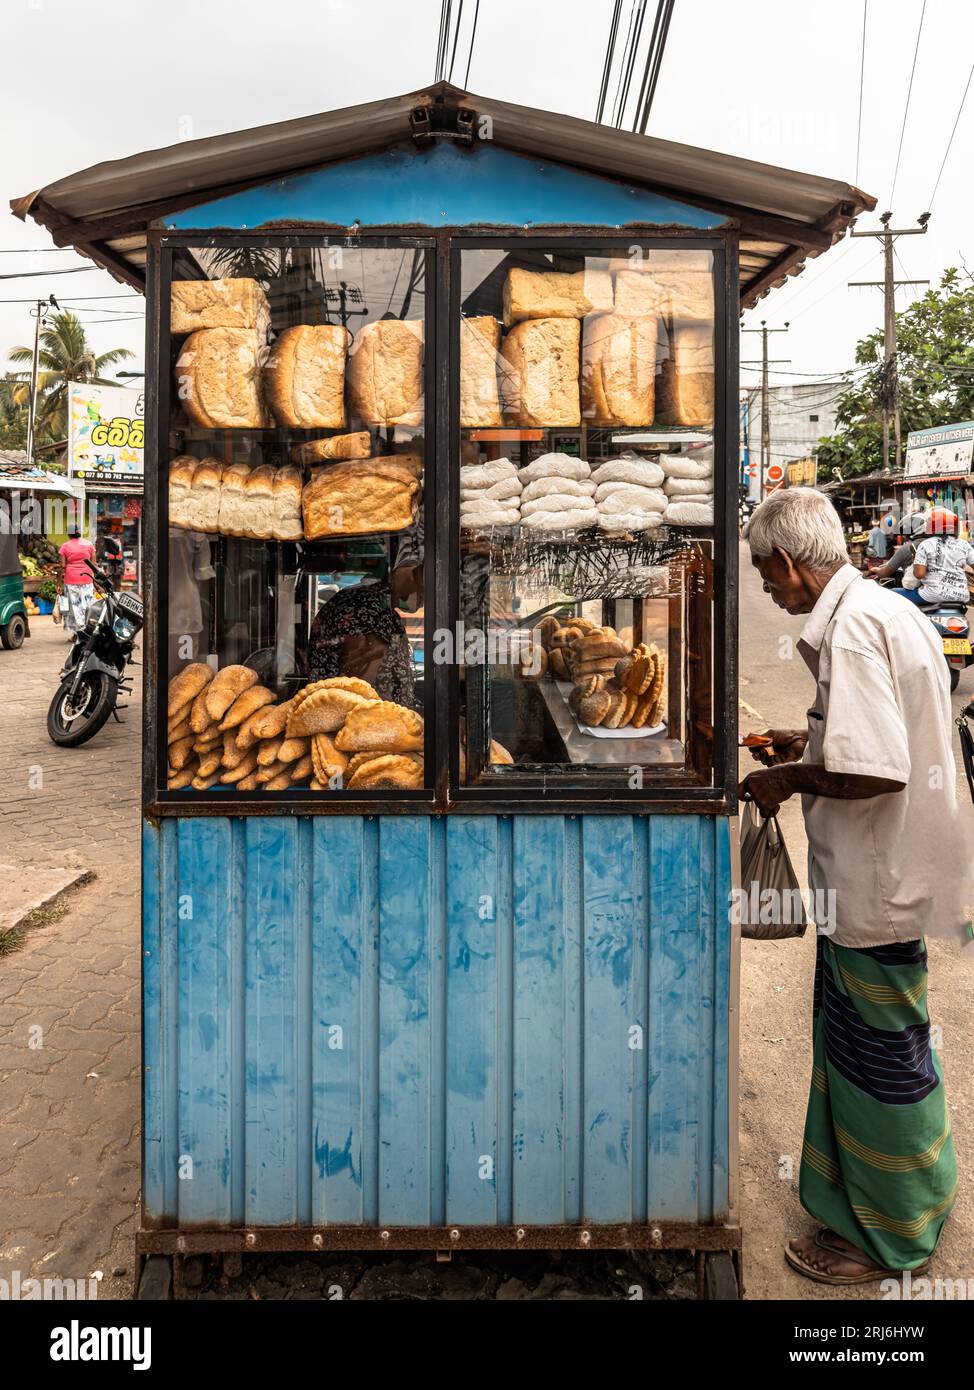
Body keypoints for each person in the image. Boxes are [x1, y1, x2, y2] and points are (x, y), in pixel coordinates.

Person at [740, 487, 971, 1286]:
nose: (766, 588)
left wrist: (788, 779)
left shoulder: (853, 630)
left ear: (792, 564)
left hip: (878, 885)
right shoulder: (885, 608)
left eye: (765, 574)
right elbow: (877, 728)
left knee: (878, 1064)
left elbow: (875, 765)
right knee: (882, 1049)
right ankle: (905, 1201)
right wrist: (796, 741)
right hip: (889, 876)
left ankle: (888, 1238)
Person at [308, 542, 420, 708]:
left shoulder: (363, 600)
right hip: (364, 720)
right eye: (425, 584)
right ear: (409, 573)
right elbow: (362, 685)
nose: (424, 600)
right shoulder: (371, 608)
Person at [893, 507, 974, 607]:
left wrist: (915, 562)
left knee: (891, 594)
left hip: (931, 595)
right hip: (961, 596)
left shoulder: (925, 545)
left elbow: (919, 574)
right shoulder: (964, 545)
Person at [57, 528, 97, 639]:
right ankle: (87, 632)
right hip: (87, 579)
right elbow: (94, 564)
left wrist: (58, 583)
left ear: (68, 534)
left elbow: (62, 566)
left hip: (71, 580)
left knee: (74, 608)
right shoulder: (89, 545)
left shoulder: (64, 546)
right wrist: (96, 581)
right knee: (87, 606)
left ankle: (77, 634)